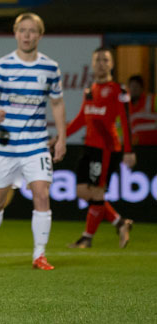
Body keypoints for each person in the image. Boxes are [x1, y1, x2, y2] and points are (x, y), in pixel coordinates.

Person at [0, 12, 66, 271]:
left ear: (40, 34)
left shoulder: (50, 67)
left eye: (32, 31)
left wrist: (62, 138)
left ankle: (39, 255)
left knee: (42, 195)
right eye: (22, 30)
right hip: (7, 145)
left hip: (36, 144)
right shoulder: (2, 65)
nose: (27, 35)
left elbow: (57, 103)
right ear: (15, 34)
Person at [64, 47, 135, 249]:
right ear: (92, 64)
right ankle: (120, 223)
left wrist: (129, 151)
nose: (101, 63)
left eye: (105, 60)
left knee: (96, 193)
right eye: (98, 60)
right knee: (81, 191)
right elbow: (81, 119)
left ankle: (87, 238)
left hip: (107, 148)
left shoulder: (118, 91)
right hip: (89, 147)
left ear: (112, 64)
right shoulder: (90, 89)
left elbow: (126, 121)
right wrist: (61, 136)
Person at [127, 75, 157, 146]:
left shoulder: (152, 100)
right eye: (132, 86)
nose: (134, 89)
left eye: (136, 86)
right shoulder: (126, 107)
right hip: (138, 147)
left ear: (142, 88)